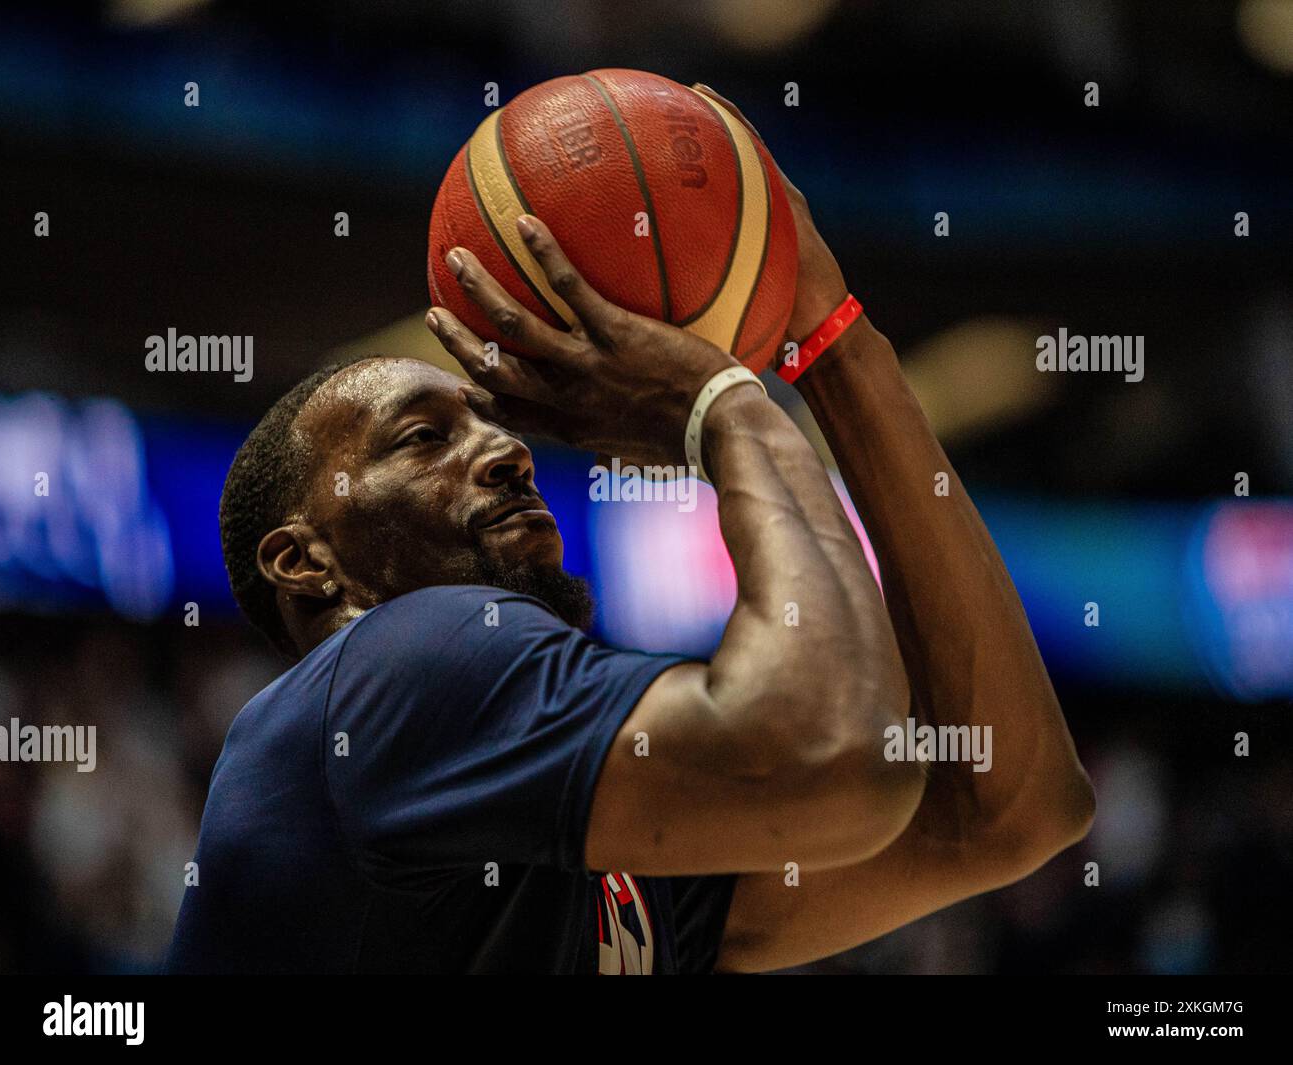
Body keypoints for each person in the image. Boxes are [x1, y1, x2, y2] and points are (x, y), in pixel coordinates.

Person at [166, 86, 1093, 974]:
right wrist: (726, 405)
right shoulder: (390, 666)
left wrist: (832, 335)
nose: (505, 451)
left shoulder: (573, 829)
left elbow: (1008, 809)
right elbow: (838, 756)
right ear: (304, 560)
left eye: (498, 423)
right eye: (422, 437)